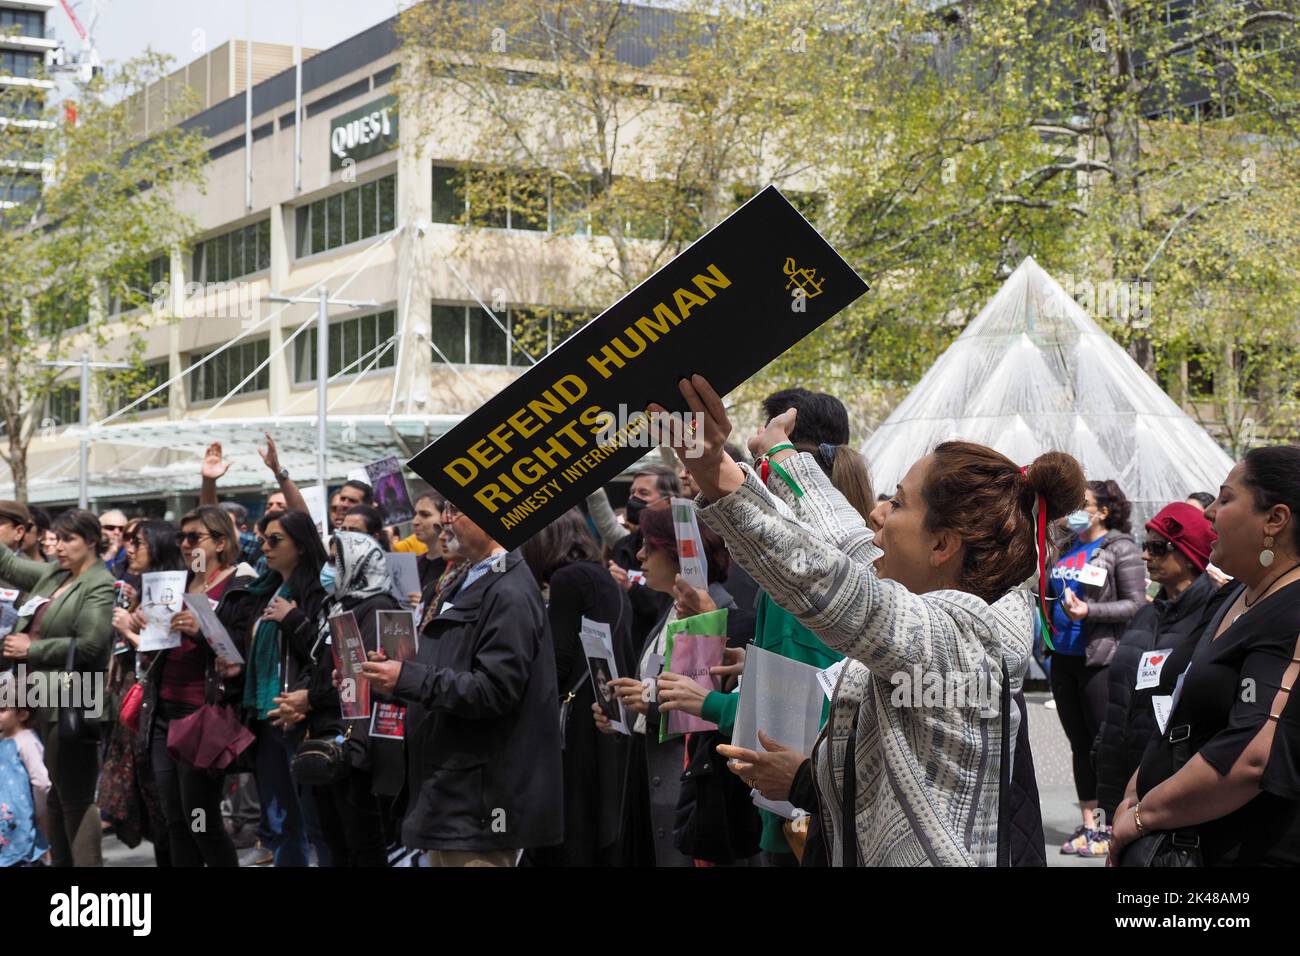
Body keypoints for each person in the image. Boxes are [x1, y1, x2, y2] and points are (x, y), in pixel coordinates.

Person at [650, 374, 1086, 866]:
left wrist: (712, 467)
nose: (878, 514)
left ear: (943, 545)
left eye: (898, 502)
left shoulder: (962, 639)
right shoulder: (948, 604)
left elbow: (826, 580)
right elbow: (844, 539)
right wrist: (777, 457)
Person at [1110, 445, 1300, 866]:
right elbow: (1184, 711)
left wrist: (1142, 816)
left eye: (1227, 498)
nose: (1210, 512)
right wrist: (1135, 790)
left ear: (1275, 519)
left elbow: (1252, 754)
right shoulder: (1236, 593)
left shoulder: (1292, 609)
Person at [362, 500, 562, 867]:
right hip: (454, 791)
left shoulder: (508, 590)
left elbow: (494, 690)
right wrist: (393, 679)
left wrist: (407, 677)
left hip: (481, 798)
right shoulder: (469, 579)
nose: (448, 520)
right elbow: (448, 668)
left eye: (457, 510)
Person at [596, 497, 743, 866]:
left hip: (689, 794)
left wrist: (646, 702)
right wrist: (622, 715)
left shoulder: (722, 613)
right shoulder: (669, 611)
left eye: (649, 546)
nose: (640, 556)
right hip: (653, 784)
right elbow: (658, 691)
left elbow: (707, 709)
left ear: (678, 554)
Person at [1093, 502, 1225, 826]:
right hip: (1119, 771)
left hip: (1171, 781)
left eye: (1157, 547)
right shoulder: (1145, 614)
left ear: (1189, 553)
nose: (1145, 556)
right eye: (1145, 545)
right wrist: (1102, 748)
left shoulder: (1214, 619)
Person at [0, 509, 115, 867]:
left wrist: (31, 648)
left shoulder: (100, 582)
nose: (59, 547)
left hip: (76, 691)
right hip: (37, 690)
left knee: (76, 797)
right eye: (56, 538)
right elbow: (7, 564)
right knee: (55, 795)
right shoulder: (54, 573)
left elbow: (92, 645)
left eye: (69, 540)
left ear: (92, 541)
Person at [133, 509, 248, 867]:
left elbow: (239, 652)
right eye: (181, 537)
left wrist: (201, 634)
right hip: (163, 710)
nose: (184, 544)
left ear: (221, 542)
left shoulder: (237, 585)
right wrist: (142, 624)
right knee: (175, 820)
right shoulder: (176, 584)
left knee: (201, 820)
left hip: (201, 716)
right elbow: (157, 643)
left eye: (193, 537)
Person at [520, 508, 635, 866]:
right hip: (603, 716)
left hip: (580, 723)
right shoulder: (599, 576)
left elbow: (558, 662)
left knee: (573, 834)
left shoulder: (569, 580)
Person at [280, 530, 396, 867]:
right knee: (332, 837)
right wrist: (296, 699)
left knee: (363, 840)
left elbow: (373, 676)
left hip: (359, 743)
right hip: (325, 732)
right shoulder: (336, 606)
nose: (327, 568)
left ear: (358, 564)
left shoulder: (379, 607)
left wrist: (311, 698)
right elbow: (319, 662)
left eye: (335, 561)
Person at [1047, 478, 1146, 857]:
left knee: (1103, 747)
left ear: (1103, 511)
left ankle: (1109, 825)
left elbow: (1137, 604)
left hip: (1100, 659)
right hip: (1063, 658)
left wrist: (1091, 611)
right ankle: (1089, 826)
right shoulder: (1066, 546)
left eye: (1081, 504)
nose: (1073, 512)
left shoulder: (1120, 548)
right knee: (1078, 744)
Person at [229, 509, 328, 866]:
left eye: (276, 540)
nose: (266, 547)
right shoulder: (265, 590)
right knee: (281, 817)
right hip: (264, 713)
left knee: (314, 819)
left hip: (298, 715)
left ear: (300, 546)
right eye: (263, 540)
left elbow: (327, 652)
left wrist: (294, 620)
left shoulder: (318, 589)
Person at [587, 463, 681, 644]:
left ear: (668, 502)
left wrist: (630, 588)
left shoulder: (678, 550)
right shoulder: (624, 546)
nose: (633, 499)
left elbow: (668, 604)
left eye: (643, 493)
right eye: (632, 492)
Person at [0, 679, 50, 867]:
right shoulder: (2, 739)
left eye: (3, 709)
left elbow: (41, 782)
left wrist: (37, 811)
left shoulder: (27, 742)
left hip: (20, 822)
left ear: (22, 714)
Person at [199, 435, 310, 516]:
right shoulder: (254, 543)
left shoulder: (299, 541)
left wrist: (278, 471)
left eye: (281, 506)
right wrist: (208, 482)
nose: (272, 509)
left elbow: (302, 517)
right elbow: (210, 520)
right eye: (269, 505)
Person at [409, 493, 447, 591]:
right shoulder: (415, 563)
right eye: (415, 514)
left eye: (425, 514)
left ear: (444, 517)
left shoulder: (456, 566)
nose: (415, 522)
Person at [99, 508, 130, 576]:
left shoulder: (131, 557)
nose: (117, 532)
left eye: (122, 529)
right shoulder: (89, 553)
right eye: (110, 528)